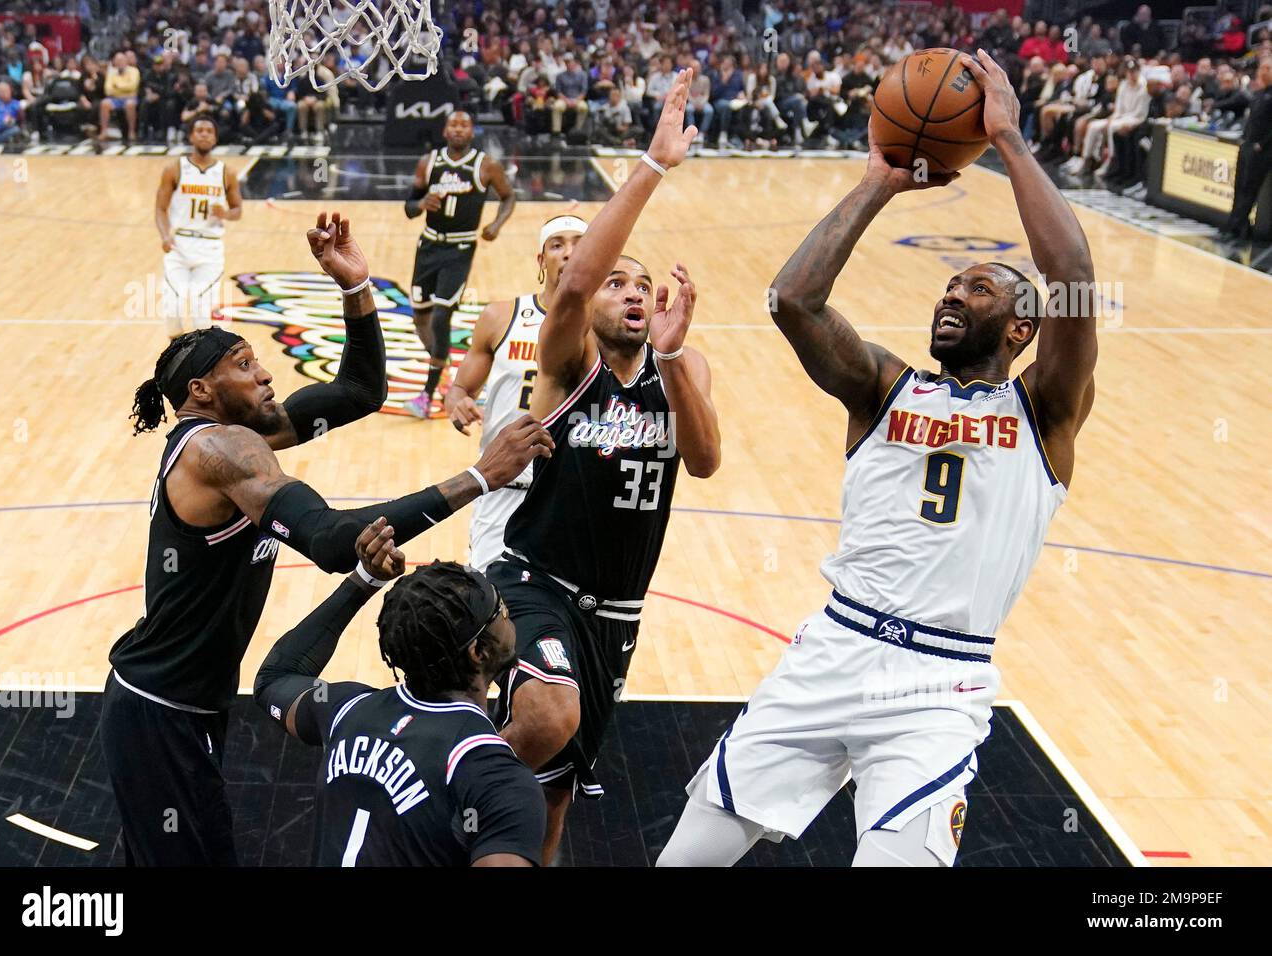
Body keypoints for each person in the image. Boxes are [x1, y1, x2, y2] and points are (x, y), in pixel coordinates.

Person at [658, 50, 1097, 868]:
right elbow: (791, 301)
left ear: (1021, 329)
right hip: (833, 647)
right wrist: (878, 184)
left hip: (939, 683)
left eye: (977, 288)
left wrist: (1008, 141)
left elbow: (1070, 273)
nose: (951, 294)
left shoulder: (1045, 412)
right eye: (949, 284)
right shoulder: (885, 388)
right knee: (684, 863)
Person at [101, 210, 553, 866]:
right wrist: (479, 477)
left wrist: (354, 285)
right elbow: (333, 541)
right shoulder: (224, 450)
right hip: (160, 705)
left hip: (178, 699)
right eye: (244, 364)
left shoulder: (241, 436)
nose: (264, 374)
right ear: (201, 389)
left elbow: (362, 390)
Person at [490, 71, 722, 864]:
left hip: (618, 609)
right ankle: (429, 795)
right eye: (617, 283)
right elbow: (577, 279)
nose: (631, 292)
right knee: (550, 718)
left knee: (556, 786)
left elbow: (706, 460)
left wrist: (677, 355)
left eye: (644, 286)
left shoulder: (682, 370)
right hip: (538, 581)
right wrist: (654, 166)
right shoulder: (567, 365)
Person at [253, 523, 545, 867]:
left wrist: (364, 581)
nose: (511, 619)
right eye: (502, 613)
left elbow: (276, 677)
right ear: (478, 652)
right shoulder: (496, 778)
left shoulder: (345, 710)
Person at [445, 215, 588, 571]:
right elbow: (461, 387)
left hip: (571, 492)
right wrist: (457, 400)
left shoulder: (605, 327)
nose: (569, 253)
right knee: (489, 604)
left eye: (579, 245)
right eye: (557, 245)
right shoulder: (502, 315)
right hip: (506, 487)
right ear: (541, 260)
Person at [402, 110, 516, 419]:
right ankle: (444, 369)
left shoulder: (485, 165)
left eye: (464, 124)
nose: (458, 129)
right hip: (428, 246)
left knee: (441, 317)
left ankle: (427, 395)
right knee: (421, 319)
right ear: (444, 130)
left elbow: (508, 197)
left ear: (471, 131)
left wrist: (497, 224)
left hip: (460, 248)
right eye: (453, 124)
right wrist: (420, 204)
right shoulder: (429, 162)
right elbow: (408, 207)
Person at [154, 116, 239, 338]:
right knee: (171, 309)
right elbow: (160, 209)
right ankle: (176, 354)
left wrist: (227, 213)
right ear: (191, 136)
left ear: (215, 138)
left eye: (208, 131)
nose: (203, 134)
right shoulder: (174, 169)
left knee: (202, 314)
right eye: (199, 130)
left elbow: (238, 209)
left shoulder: (226, 172)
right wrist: (164, 236)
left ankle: (201, 364)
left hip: (210, 247)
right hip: (179, 243)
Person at [1220, 57, 1272, 240]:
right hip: (1247, 144)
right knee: (1238, 186)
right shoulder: (1259, 93)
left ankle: (1236, 229)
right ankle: (1235, 225)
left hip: (1262, 151)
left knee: (1249, 190)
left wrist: (1262, 144)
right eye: (1262, 67)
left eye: (1268, 68)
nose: (1263, 71)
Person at [99, 50, 140, 142]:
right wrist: (123, 89)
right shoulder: (111, 73)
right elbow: (108, 90)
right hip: (115, 99)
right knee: (104, 103)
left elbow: (132, 86)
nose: (119, 62)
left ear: (126, 61)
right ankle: (104, 131)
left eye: (121, 60)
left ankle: (131, 131)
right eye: (117, 61)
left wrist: (117, 86)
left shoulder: (134, 71)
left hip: (130, 98)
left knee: (130, 104)